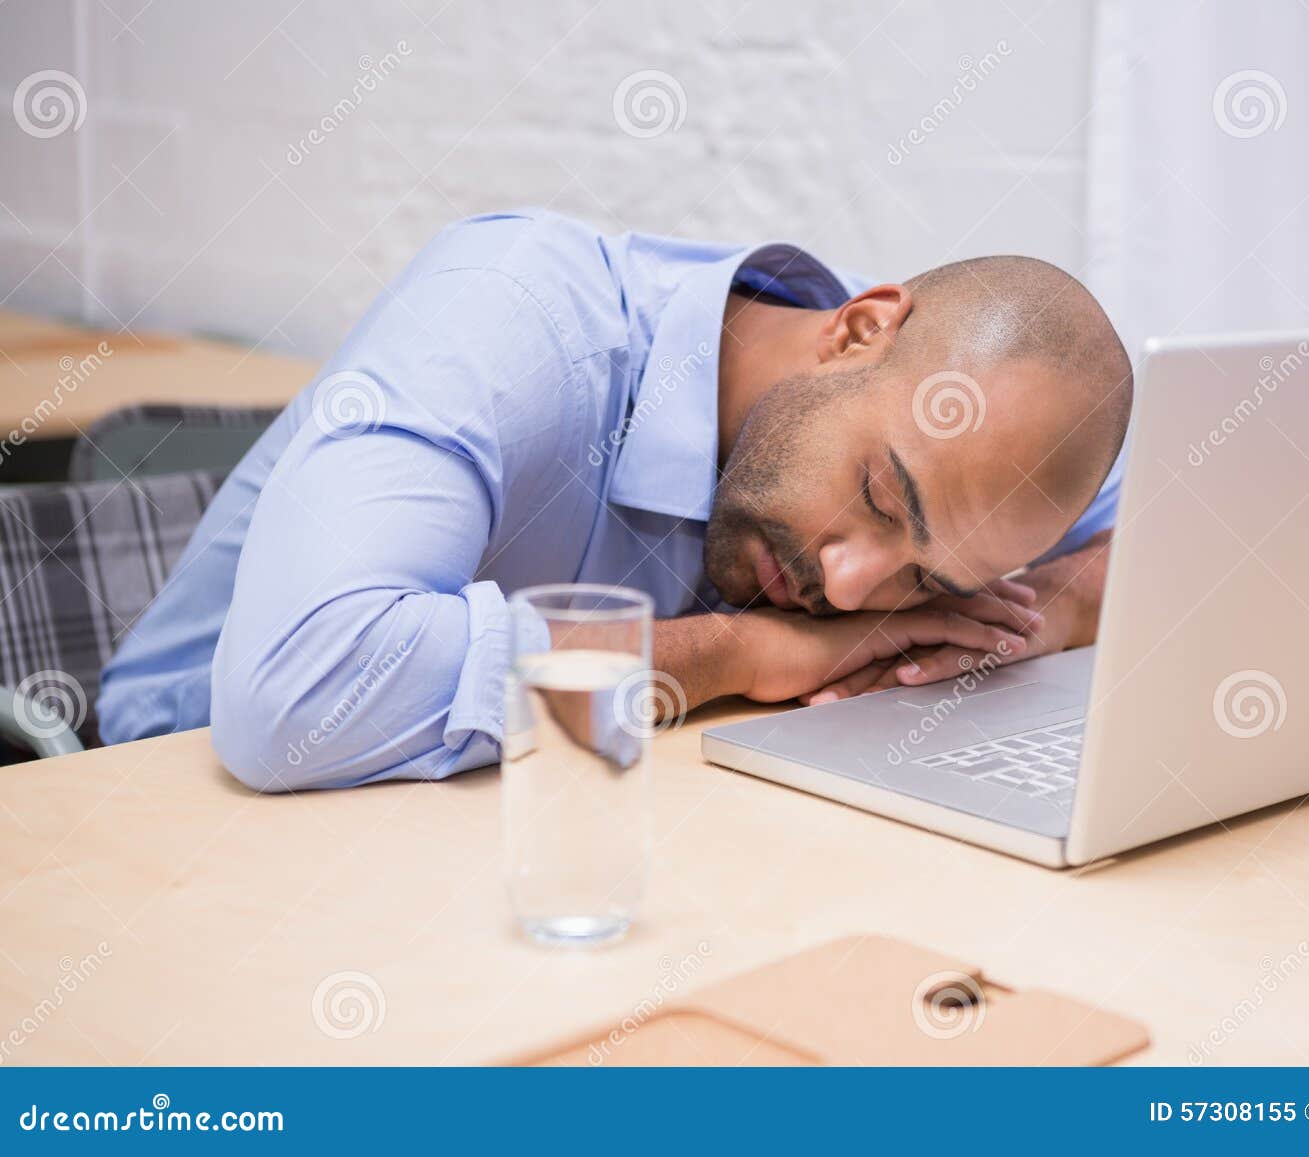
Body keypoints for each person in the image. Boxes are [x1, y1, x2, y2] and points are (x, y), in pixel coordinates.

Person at [96, 209, 1132, 791]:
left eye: (923, 576)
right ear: (855, 328)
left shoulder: (944, 399)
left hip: (497, 829)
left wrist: (1028, 612)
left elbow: (1181, 527)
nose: (855, 583)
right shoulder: (509, 319)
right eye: (877, 495)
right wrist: (744, 653)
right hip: (169, 797)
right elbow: (295, 696)